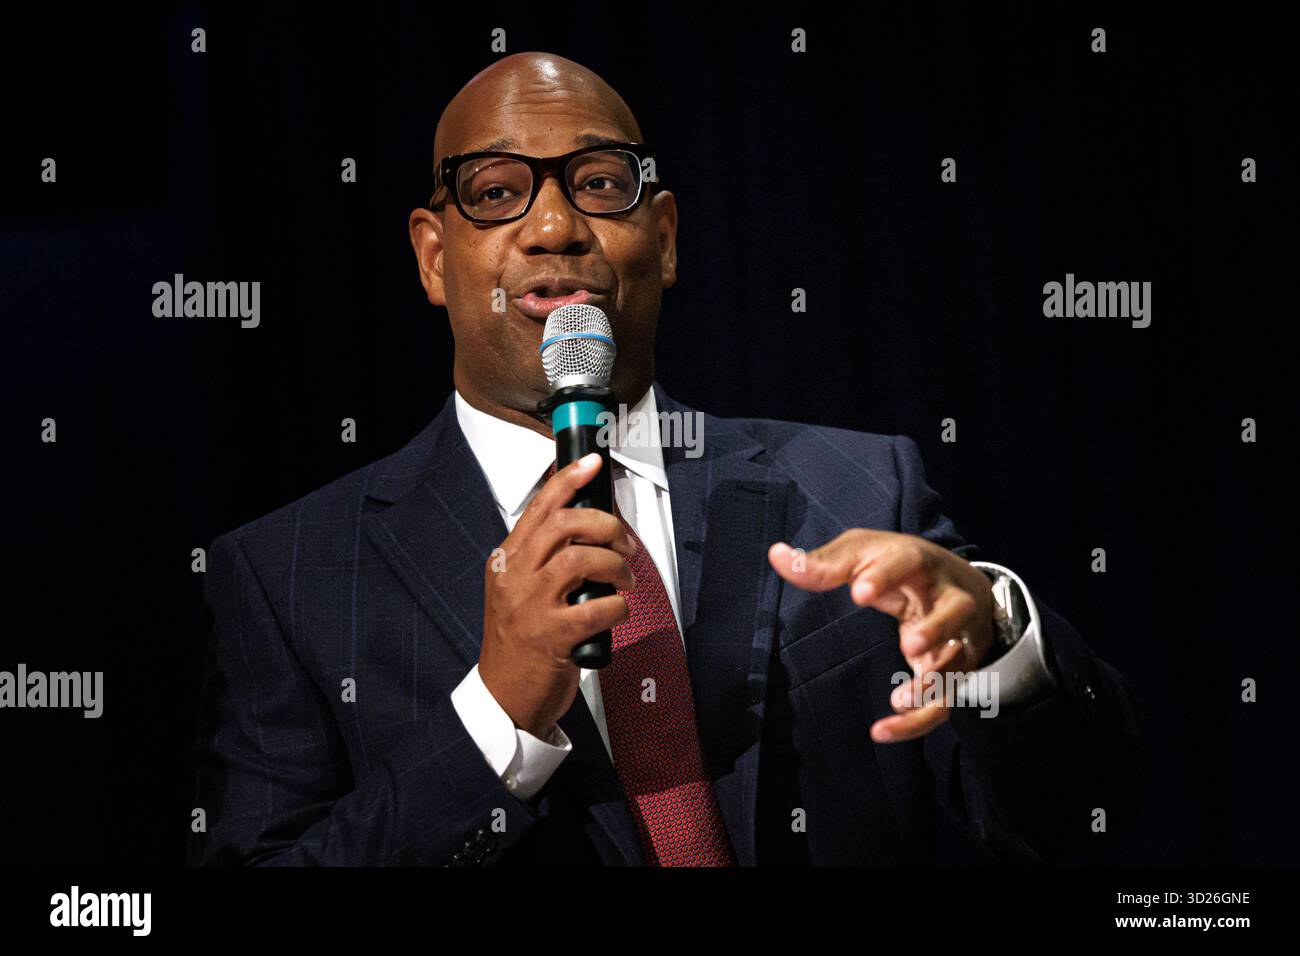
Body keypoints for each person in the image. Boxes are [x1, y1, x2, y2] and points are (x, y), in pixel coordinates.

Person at [187, 52, 1144, 866]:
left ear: (667, 237)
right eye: (496, 191)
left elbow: (1080, 821)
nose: (556, 226)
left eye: (601, 183)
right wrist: (496, 718)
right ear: (435, 258)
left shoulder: (857, 491)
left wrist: (996, 650)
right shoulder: (290, 577)